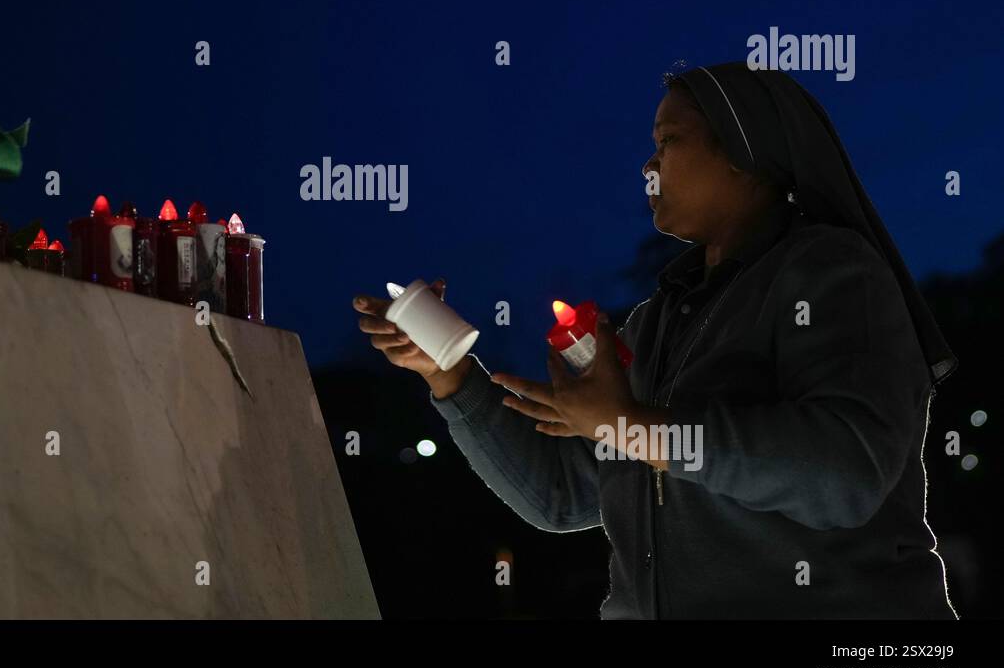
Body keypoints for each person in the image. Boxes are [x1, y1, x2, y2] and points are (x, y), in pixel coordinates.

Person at [353, 62, 960, 619]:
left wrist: (630, 426)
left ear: (747, 152)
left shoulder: (830, 273)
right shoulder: (654, 324)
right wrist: (449, 376)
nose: (649, 166)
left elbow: (843, 473)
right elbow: (561, 496)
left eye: (669, 142)